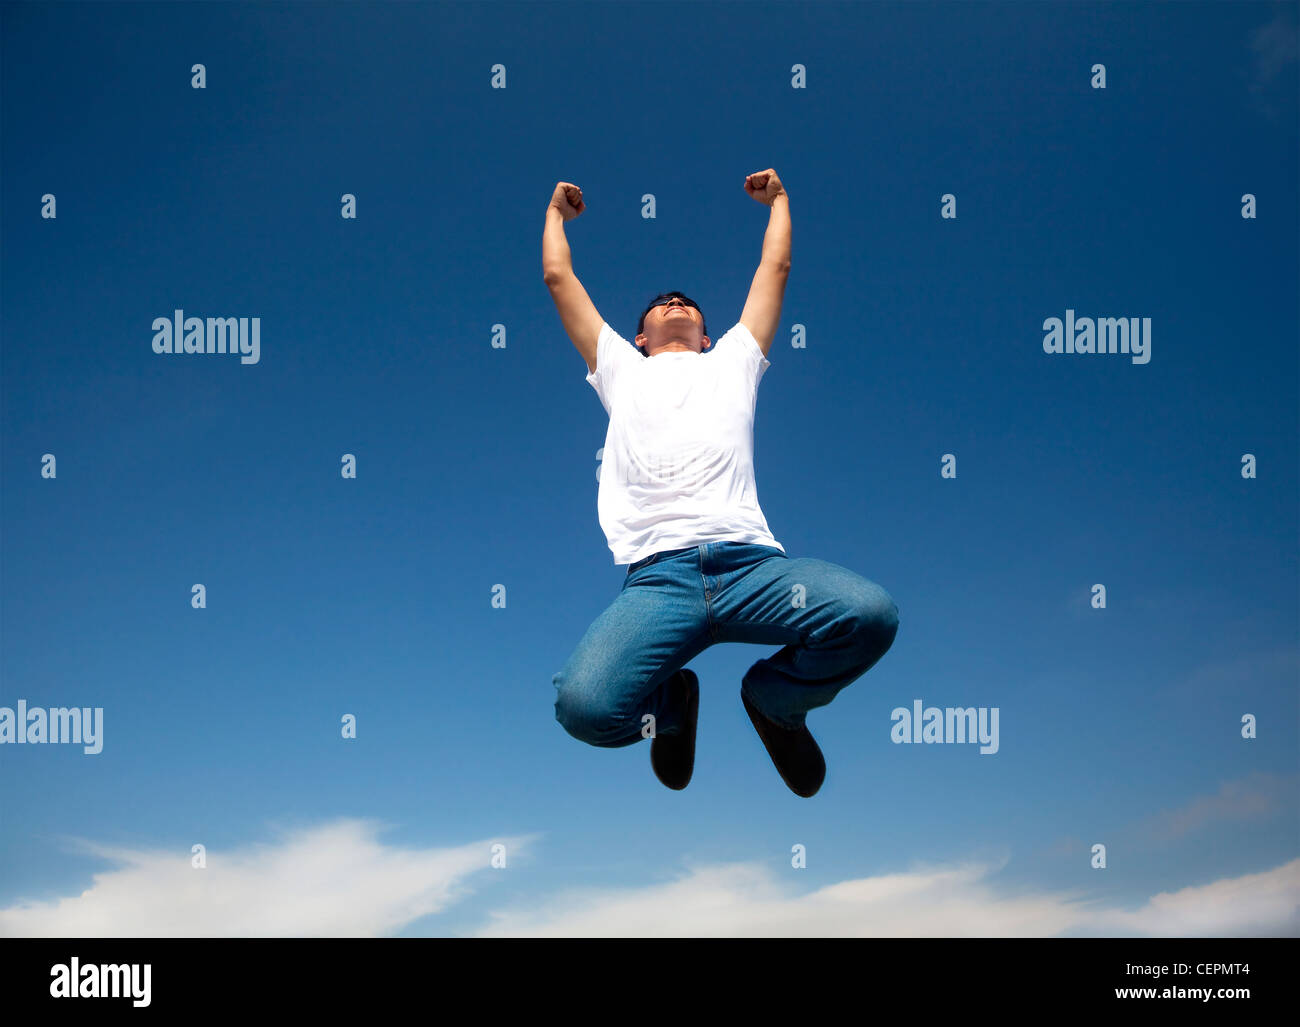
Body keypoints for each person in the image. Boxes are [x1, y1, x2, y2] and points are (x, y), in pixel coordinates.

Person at [542, 169, 899, 797]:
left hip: (750, 568)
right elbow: (559, 279)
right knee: (586, 709)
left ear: (708, 335)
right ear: (640, 337)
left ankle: (775, 702)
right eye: (660, 304)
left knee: (870, 616)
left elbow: (774, 269)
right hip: (659, 581)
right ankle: (674, 706)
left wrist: (782, 201)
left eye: (688, 304)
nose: (674, 302)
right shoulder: (619, 368)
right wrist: (554, 216)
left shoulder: (734, 359)